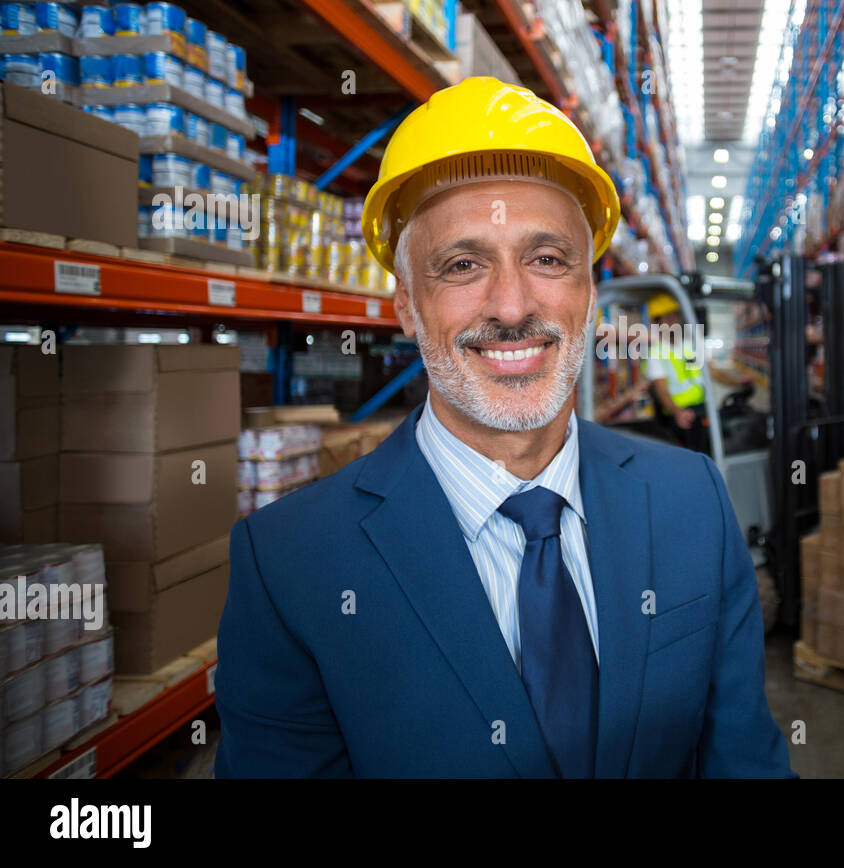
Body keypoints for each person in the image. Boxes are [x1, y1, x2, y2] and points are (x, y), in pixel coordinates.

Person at [214, 77, 793, 778]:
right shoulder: (291, 565)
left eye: (547, 259)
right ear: (405, 304)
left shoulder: (692, 501)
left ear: (587, 290)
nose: (513, 306)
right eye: (463, 265)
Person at [642, 296, 751, 454]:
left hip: (701, 409)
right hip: (681, 416)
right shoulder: (656, 353)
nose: (673, 322)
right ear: (657, 324)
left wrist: (739, 382)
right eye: (667, 318)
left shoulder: (689, 346)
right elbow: (662, 390)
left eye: (675, 316)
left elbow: (712, 372)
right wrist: (677, 412)